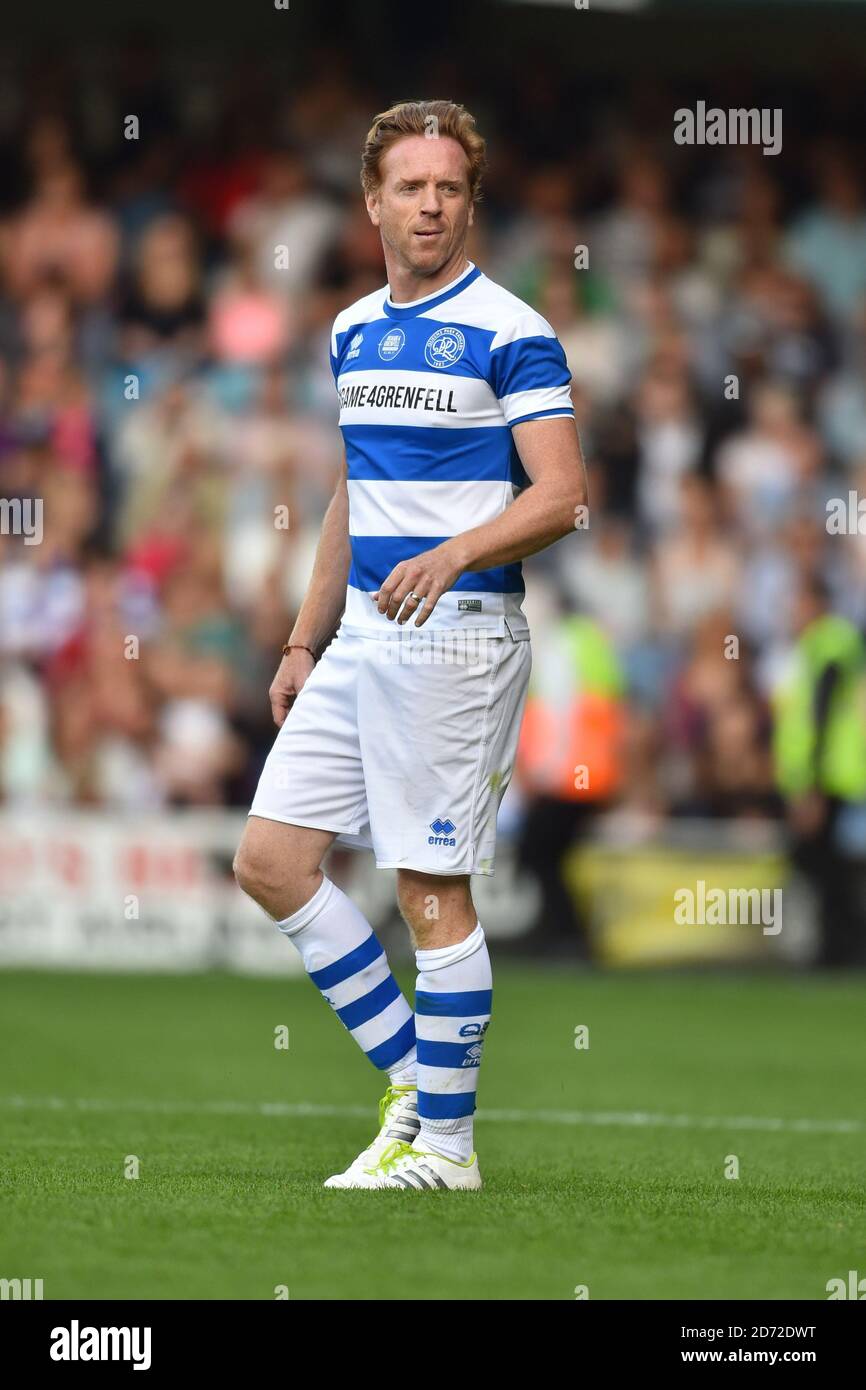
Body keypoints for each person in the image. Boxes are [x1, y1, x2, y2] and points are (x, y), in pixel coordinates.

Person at [233, 100, 587, 1190]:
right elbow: (353, 492)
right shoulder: (349, 330)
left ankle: (446, 1148)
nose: (430, 203)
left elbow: (565, 493)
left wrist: (454, 552)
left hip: (459, 635)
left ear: (469, 202)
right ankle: (410, 1085)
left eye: (449, 187)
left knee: (432, 893)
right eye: (410, 186)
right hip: (361, 640)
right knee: (271, 861)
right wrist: (302, 639)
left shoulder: (511, 329)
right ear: (372, 201)